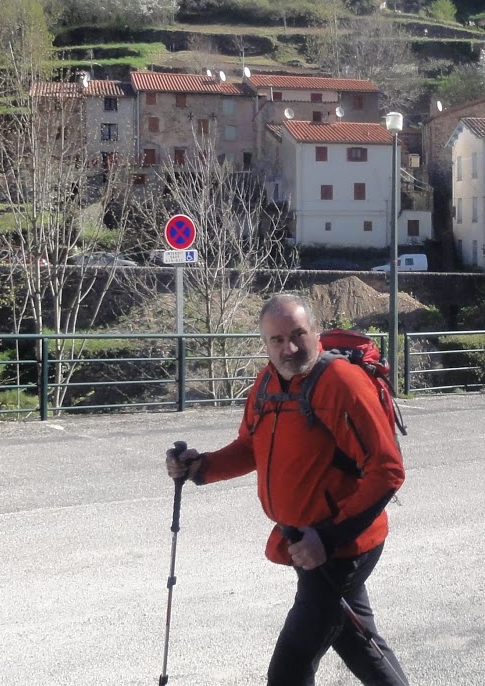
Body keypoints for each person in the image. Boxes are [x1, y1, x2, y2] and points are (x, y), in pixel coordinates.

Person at [165, 294, 409, 685]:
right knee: (358, 641)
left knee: (289, 668)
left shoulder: (342, 384)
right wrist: (200, 467)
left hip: (339, 547)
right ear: (265, 344)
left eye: (298, 334)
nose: (289, 347)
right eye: (276, 340)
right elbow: (251, 447)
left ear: (316, 332)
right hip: (304, 542)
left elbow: (388, 470)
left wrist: (326, 540)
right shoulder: (266, 384)